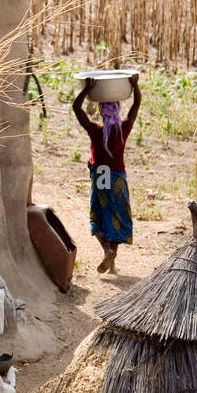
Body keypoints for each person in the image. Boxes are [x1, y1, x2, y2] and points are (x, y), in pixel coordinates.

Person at [72, 75, 141, 273]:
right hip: (119, 176)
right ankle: (112, 260)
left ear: (102, 113)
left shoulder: (95, 130)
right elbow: (136, 105)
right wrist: (135, 85)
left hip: (101, 175)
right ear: (118, 112)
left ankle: (106, 249)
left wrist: (87, 89)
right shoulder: (124, 129)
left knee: (99, 215)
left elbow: (76, 108)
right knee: (117, 215)